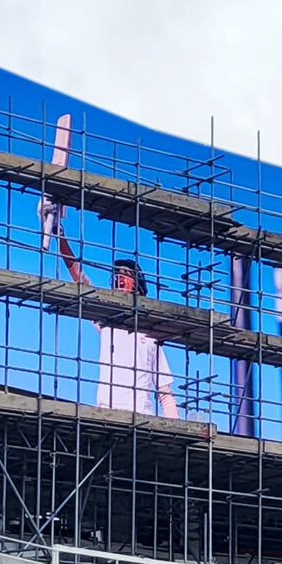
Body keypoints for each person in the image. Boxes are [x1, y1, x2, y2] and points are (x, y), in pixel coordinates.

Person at [39, 127, 180, 419]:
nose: (118, 281)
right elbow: (79, 278)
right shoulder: (106, 319)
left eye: (125, 276)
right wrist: (59, 235)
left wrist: (175, 429)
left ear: (138, 285)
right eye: (117, 276)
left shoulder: (151, 334)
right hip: (107, 413)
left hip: (142, 417)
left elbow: (164, 390)